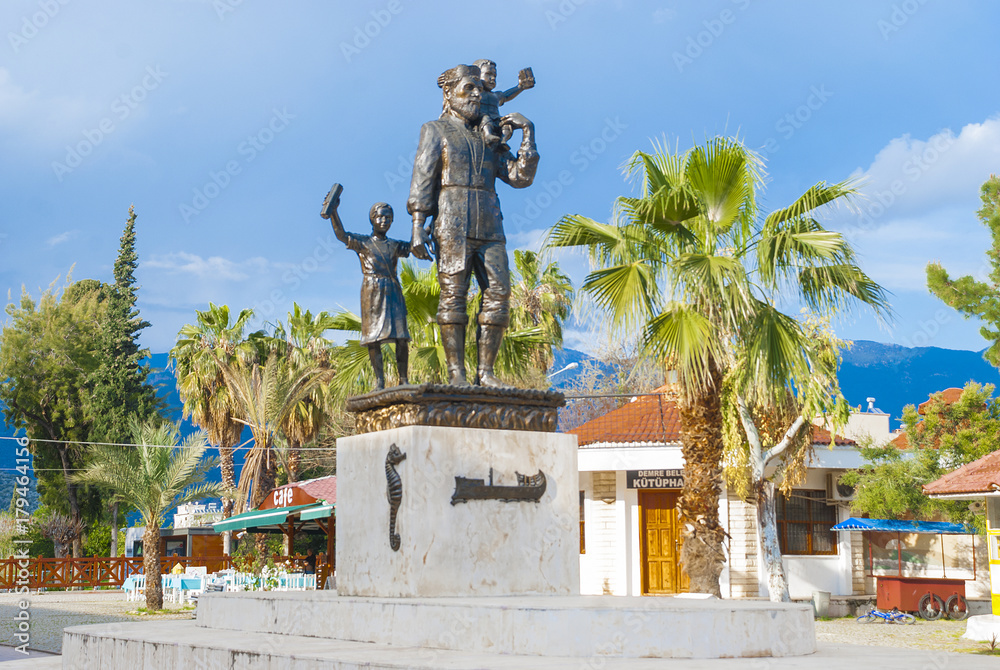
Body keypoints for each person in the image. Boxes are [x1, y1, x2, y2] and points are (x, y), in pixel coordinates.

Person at [407, 63, 539, 387]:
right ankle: (456, 374)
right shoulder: (435, 130)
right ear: (449, 93)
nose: (477, 94)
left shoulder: (489, 135)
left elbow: (519, 177)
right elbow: (423, 178)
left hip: (490, 224)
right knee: (454, 295)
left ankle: (487, 373)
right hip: (452, 221)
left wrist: (528, 134)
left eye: (480, 90)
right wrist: (417, 225)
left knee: (499, 293)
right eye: (470, 88)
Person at [323, 186, 411, 390]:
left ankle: (403, 379)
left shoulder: (395, 245)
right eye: (380, 217)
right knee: (373, 339)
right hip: (372, 290)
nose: (384, 221)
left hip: (393, 289)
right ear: (372, 219)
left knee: (401, 336)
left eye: (388, 218)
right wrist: (334, 212)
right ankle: (379, 381)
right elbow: (341, 235)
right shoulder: (363, 242)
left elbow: (413, 246)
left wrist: (424, 224)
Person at [472, 59, 534, 149]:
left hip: (497, 120)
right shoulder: (475, 93)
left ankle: (503, 140)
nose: (492, 78)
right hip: (481, 118)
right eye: (488, 74)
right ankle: (488, 135)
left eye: (494, 76)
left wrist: (520, 87)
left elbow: (506, 96)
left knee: (507, 124)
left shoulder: (496, 95)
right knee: (485, 119)